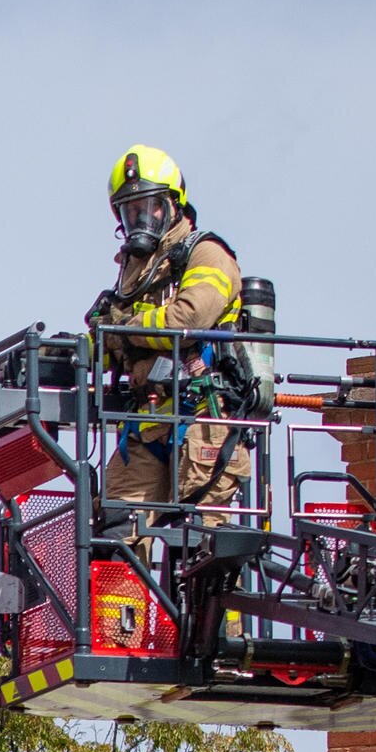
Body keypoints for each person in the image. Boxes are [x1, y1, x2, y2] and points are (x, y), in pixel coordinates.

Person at [89, 143, 255, 507]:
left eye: (148, 206)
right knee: (117, 530)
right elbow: (110, 341)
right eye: (130, 210)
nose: (140, 219)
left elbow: (189, 318)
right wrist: (65, 352)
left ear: (172, 204)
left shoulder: (207, 253)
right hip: (144, 428)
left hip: (203, 421)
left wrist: (125, 330)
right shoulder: (135, 272)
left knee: (195, 536)